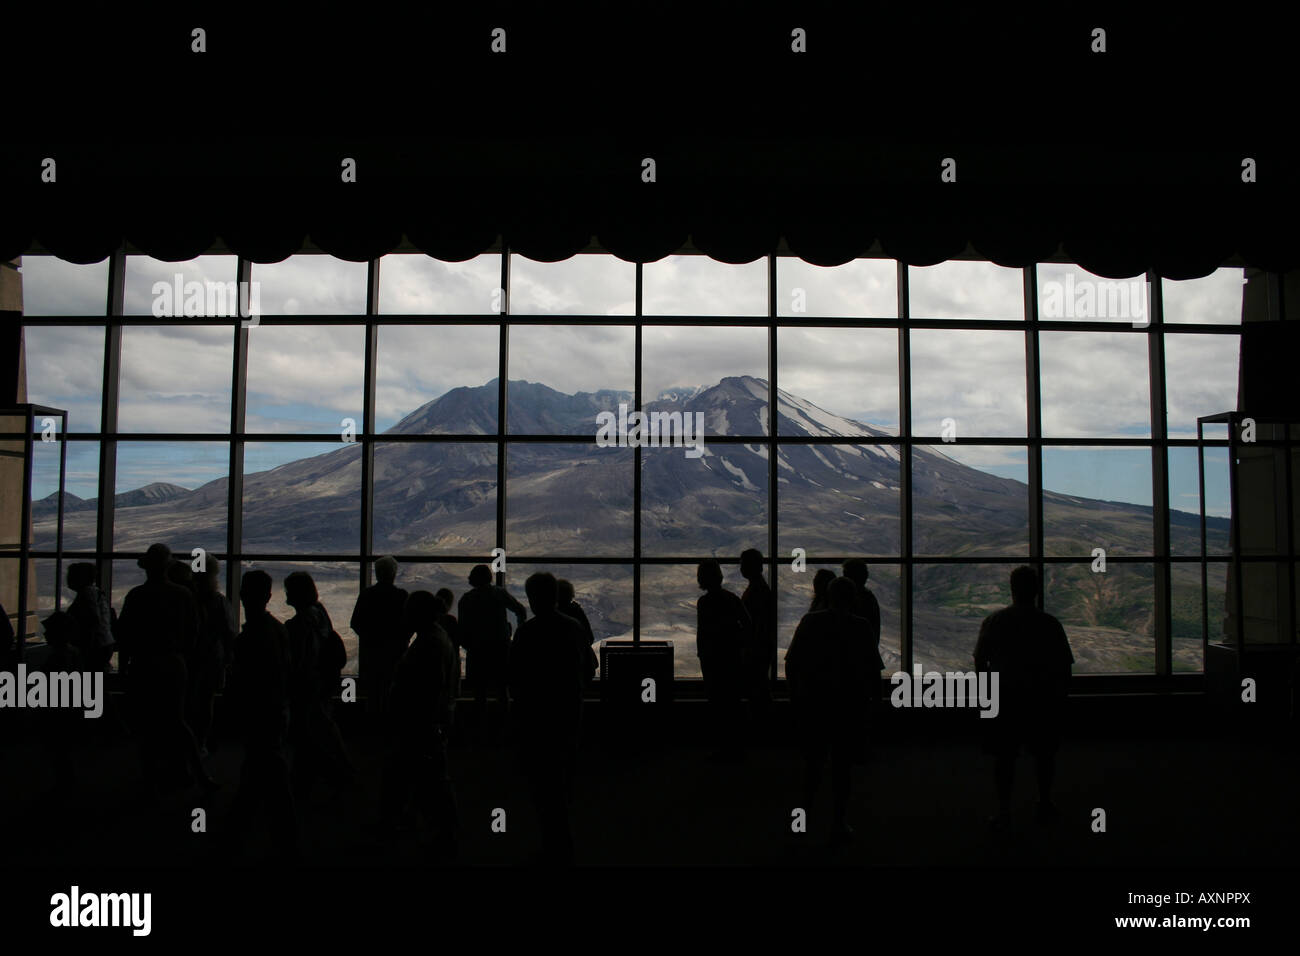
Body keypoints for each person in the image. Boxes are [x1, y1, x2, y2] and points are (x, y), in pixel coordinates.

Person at [974, 566, 1074, 831]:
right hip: (1041, 698)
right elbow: (1064, 664)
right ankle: (1044, 802)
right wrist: (1060, 694)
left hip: (1006, 697)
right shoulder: (1049, 623)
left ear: (1012, 589)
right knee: (1044, 754)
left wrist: (988, 691)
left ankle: (1004, 810)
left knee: (1004, 756)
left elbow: (980, 658)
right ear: (1037, 590)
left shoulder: (995, 621)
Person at [785, 577, 880, 844]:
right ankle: (839, 822)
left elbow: (792, 662)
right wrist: (874, 705)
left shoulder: (810, 622)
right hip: (849, 707)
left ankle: (802, 822)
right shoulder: (861, 627)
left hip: (815, 703)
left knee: (812, 767)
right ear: (852, 599)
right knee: (842, 768)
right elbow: (873, 671)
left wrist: (796, 697)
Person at [508, 572, 594, 864]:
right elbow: (586, 668)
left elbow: (516, 679)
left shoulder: (527, 633)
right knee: (563, 774)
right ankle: (563, 839)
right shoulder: (573, 628)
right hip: (568, 711)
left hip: (537, 717)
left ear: (532, 599)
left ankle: (553, 842)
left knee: (542, 782)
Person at [115, 543, 215, 793]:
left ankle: (150, 777)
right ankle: (197, 773)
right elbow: (194, 632)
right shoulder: (182, 595)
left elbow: (125, 635)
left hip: (144, 664)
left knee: (147, 723)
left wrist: (125, 665)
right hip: (173, 663)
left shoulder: (136, 596)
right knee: (178, 720)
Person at [379, 590, 460, 858]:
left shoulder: (429, 645)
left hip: (419, 725)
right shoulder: (436, 639)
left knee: (427, 780)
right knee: (429, 779)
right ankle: (432, 830)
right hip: (425, 724)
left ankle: (438, 834)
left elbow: (425, 689)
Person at [226, 570, 298, 859]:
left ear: (243, 595)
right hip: (274, 710)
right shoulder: (276, 630)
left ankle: (267, 831)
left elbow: (244, 681)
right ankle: (275, 833)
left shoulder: (250, 637)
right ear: (269, 596)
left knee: (265, 770)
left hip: (261, 714)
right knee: (265, 769)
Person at [284, 571, 353, 800]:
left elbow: (299, 660)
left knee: (309, 732)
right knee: (320, 728)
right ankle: (329, 774)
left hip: (308, 685)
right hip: (322, 681)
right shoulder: (320, 614)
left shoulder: (298, 625)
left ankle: (325, 776)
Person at [457, 565, 527, 742]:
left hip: (478, 652)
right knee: (502, 692)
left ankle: (480, 733)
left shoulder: (466, 600)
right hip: (500, 650)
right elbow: (520, 610)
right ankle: (504, 731)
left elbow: (463, 631)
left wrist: (470, 646)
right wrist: (516, 636)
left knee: (479, 694)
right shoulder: (498, 594)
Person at [695, 559, 751, 761]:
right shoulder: (732, 598)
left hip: (712, 659)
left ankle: (723, 748)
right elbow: (747, 625)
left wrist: (702, 654)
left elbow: (703, 634)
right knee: (732, 703)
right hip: (731, 657)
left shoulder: (704, 603)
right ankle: (736, 747)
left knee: (718, 704)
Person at [350, 556, 411, 715]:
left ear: (377, 574)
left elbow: (355, 623)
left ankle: (373, 728)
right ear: (394, 574)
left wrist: (370, 638)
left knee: (373, 695)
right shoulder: (401, 596)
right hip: (396, 655)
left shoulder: (367, 595)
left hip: (372, 655)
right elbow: (409, 625)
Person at [191, 558, 237, 755]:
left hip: (189, 659)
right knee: (205, 702)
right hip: (211, 658)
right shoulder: (218, 601)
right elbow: (228, 631)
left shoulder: (187, 599)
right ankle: (200, 742)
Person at [739, 549, 775, 713]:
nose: (741, 568)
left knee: (757, 690)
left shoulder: (757, 591)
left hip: (755, 650)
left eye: (743, 564)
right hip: (759, 649)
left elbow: (757, 624)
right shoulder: (760, 588)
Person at [65, 562, 116, 673]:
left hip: (95, 646)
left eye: (71, 575)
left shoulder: (87, 594)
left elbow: (93, 619)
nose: (67, 579)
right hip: (102, 644)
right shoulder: (94, 592)